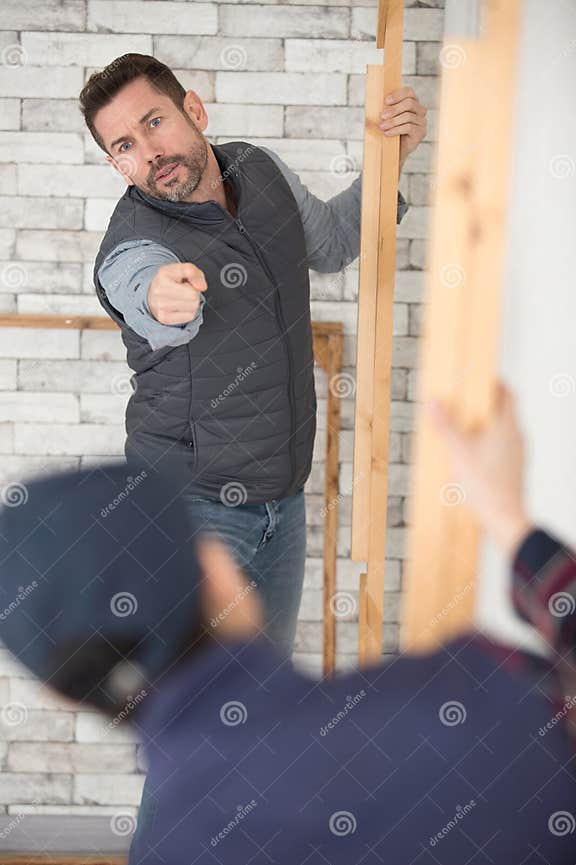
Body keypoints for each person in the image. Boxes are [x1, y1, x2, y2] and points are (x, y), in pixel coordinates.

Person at [0, 381, 574, 864]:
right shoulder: (483, 695)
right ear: (220, 570)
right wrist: (510, 521)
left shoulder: (168, 850)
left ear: (64, 694)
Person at [79, 52, 427, 655]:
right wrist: (164, 297)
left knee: (264, 700)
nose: (148, 153)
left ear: (194, 108)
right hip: (191, 514)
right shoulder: (132, 244)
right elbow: (143, 288)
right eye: (124, 146)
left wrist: (390, 157)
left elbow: (335, 241)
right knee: (192, 712)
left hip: (282, 501)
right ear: (116, 163)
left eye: (154, 123)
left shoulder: (259, 170)